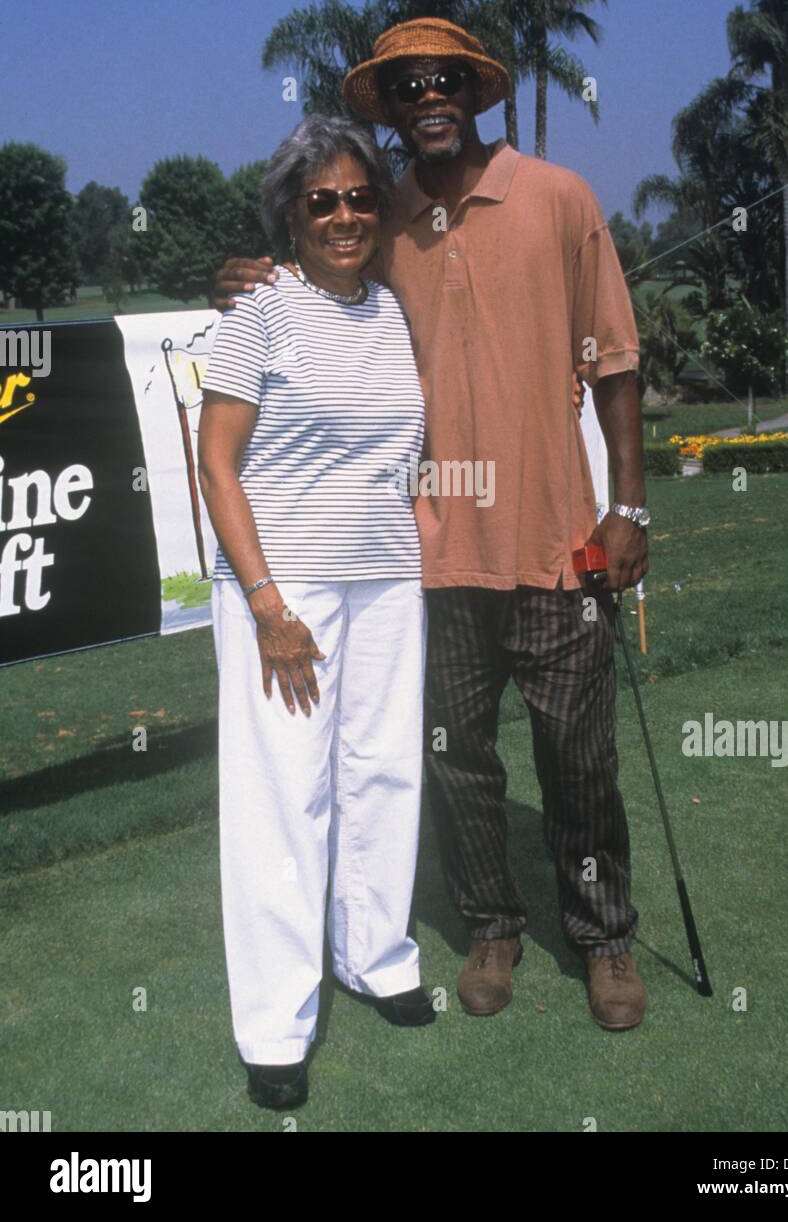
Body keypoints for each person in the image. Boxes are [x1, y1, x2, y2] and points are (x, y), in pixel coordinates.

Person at [214, 17, 649, 1032]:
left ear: (480, 92)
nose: (431, 98)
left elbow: (617, 362)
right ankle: (491, 923)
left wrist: (628, 505)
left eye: (447, 80)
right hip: (429, 555)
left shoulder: (558, 197)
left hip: (555, 541)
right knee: (454, 759)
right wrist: (244, 279)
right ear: (393, 109)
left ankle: (605, 939)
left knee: (578, 760)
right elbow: (307, 295)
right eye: (409, 88)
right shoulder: (385, 217)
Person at [198, 114, 435, 1111]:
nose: (344, 215)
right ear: (289, 216)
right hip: (282, 589)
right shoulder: (258, 311)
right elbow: (215, 462)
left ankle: (376, 957)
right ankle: (275, 1024)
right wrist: (265, 604)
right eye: (321, 201)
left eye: (358, 197)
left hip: (386, 580)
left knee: (380, 771)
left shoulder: (388, 307)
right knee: (284, 796)